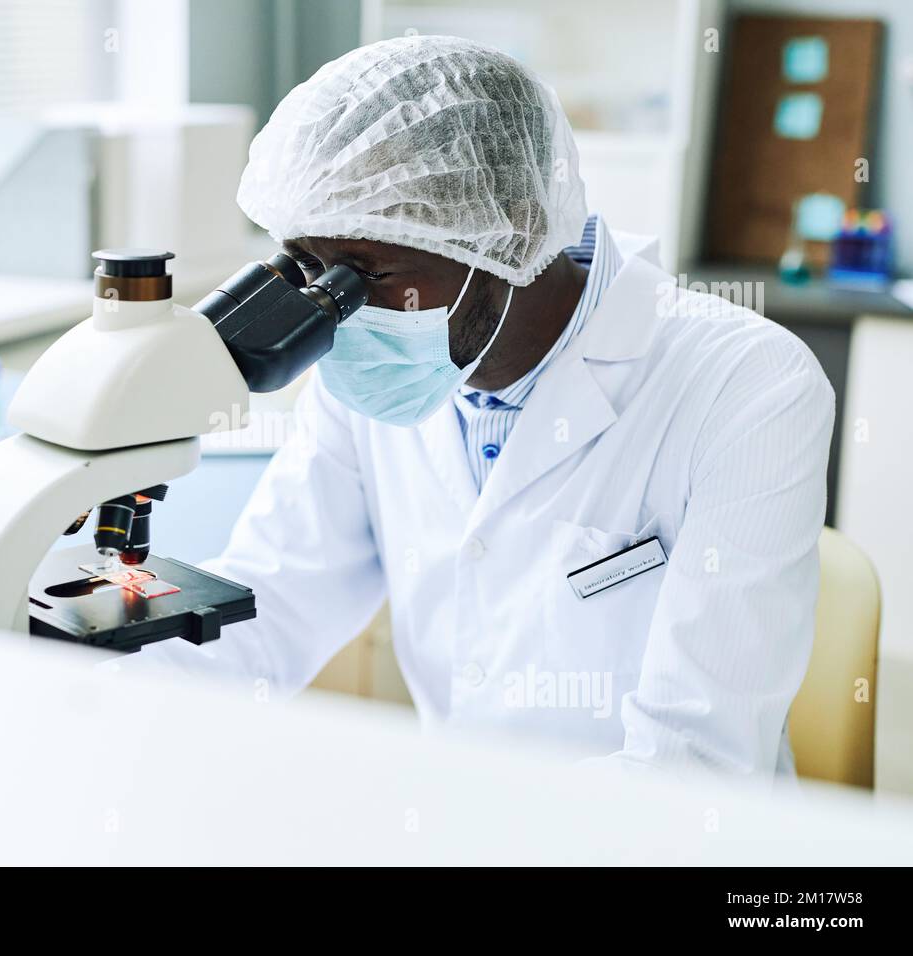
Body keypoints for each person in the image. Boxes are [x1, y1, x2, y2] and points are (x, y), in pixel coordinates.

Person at [132, 36, 834, 781]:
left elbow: (696, 762)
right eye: (307, 266)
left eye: (368, 274)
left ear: (512, 230)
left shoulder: (749, 385)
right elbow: (270, 602)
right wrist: (116, 702)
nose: (340, 313)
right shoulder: (370, 376)